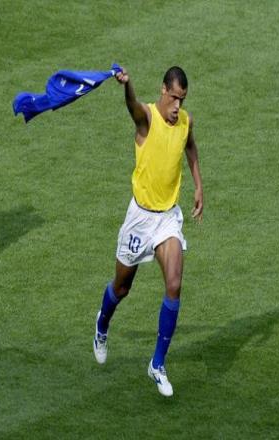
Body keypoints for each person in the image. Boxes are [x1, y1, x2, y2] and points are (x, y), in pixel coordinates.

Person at [93, 65, 203, 397]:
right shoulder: (148, 119)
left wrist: (198, 185)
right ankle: (102, 324)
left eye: (182, 100)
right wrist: (127, 86)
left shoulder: (185, 122)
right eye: (174, 98)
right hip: (140, 219)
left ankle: (157, 364)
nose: (177, 106)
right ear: (163, 90)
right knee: (122, 287)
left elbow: (190, 147)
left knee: (174, 284)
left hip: (167, 218)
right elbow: (132, 106)